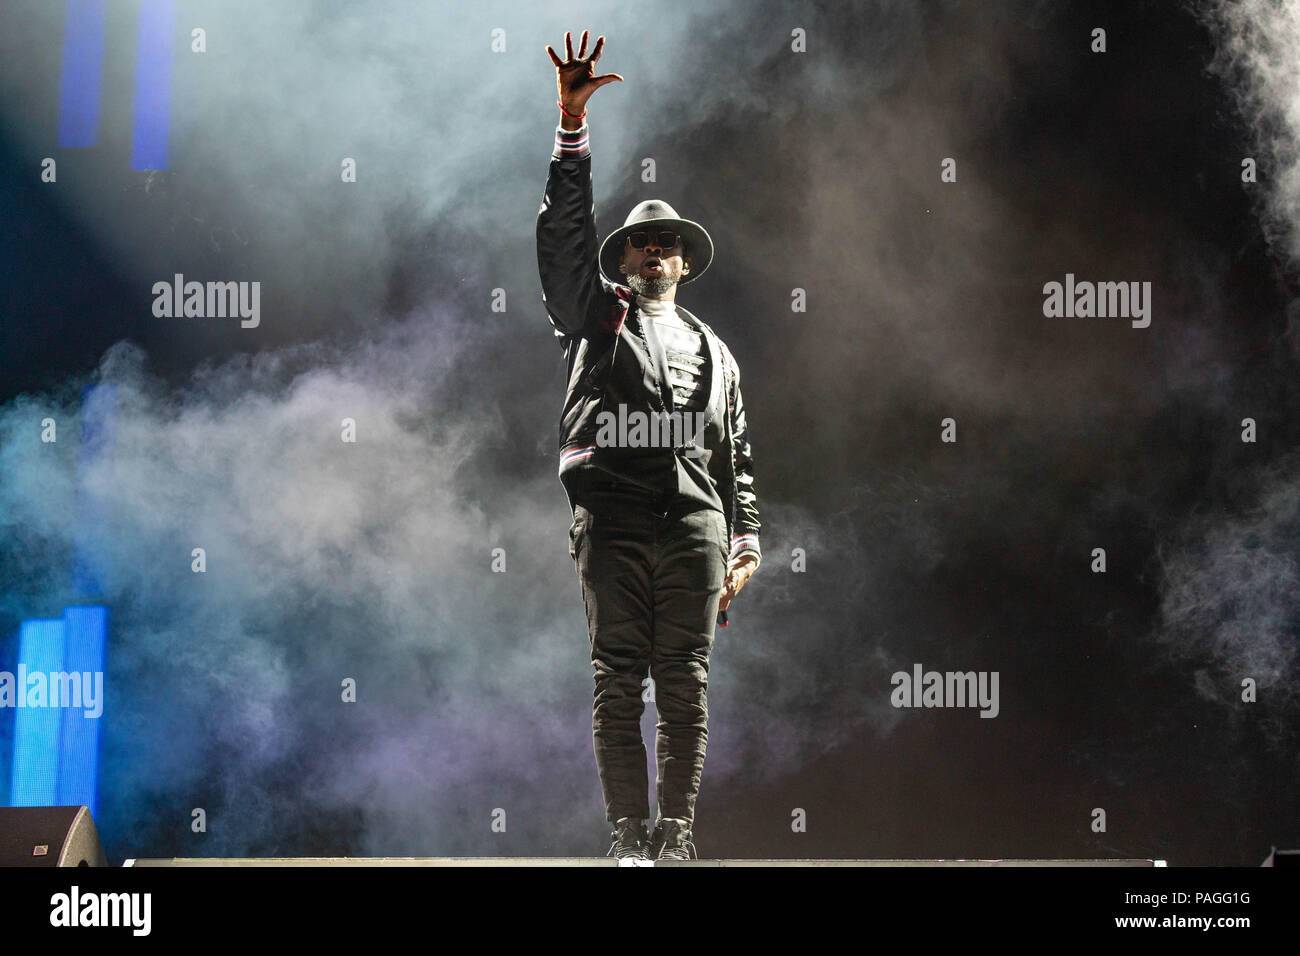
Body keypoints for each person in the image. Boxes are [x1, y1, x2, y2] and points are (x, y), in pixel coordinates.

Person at [537, 30, 762, 863]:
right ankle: (629, 839)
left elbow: (736, 456)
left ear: (684, 263)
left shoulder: (718, 351)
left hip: (696, 529)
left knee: (687, 689)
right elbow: (562, 243)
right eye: (643, 242)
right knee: (617, 682)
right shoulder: (595, 318)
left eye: (668, 244)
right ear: (624, 258)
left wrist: (746, 540)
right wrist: (570, 130)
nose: (656, 251)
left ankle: (678, 839)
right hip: (616, 517)